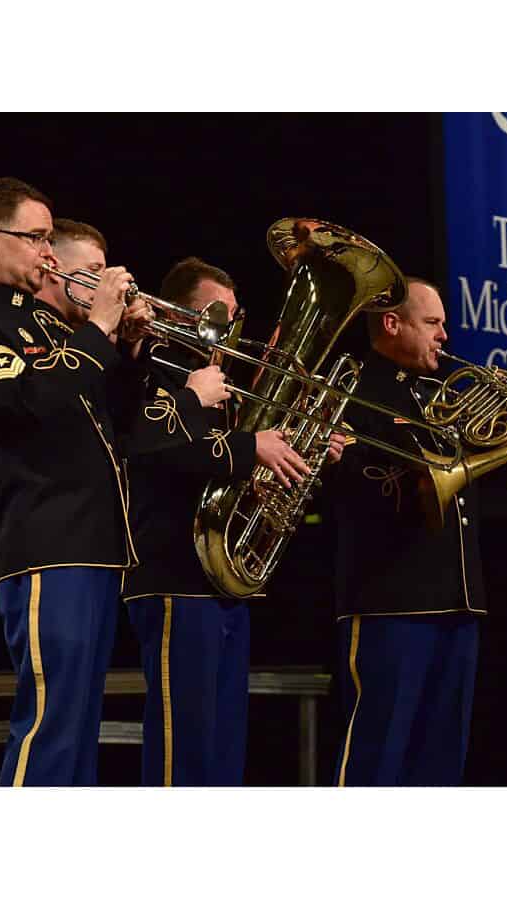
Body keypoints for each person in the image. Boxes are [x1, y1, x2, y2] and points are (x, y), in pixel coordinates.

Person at [0, 178, 143, 786]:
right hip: (46, 545)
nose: (49, 254)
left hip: (94, 544)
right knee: (49, 725)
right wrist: (99, 329)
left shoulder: (51, 327)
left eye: (50, 239)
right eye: (36, 239)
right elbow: (32, 402)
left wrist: (128, 345)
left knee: (78, 728)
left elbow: (116, 425)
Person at [329, 277, 507, 786]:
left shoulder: (433, 391)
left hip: (458, 600)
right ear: (391, 323)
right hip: (390, 600)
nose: (444, 336)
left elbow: (493, 479)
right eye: (433, 324)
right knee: (378, 761)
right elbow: (353, 487)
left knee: (440, 768)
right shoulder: (355, 391)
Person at [120, 256, 322, 786]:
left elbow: (221, 468)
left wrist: (295, 452)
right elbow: (158, 448)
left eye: (234, 315)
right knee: (183, 744)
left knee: (222, 743)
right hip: (171, 574)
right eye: (217, 313)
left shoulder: (217, 381)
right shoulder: (152, 364)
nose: (229, 327)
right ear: (181, 313)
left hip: (218, 580)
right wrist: (251, 446)